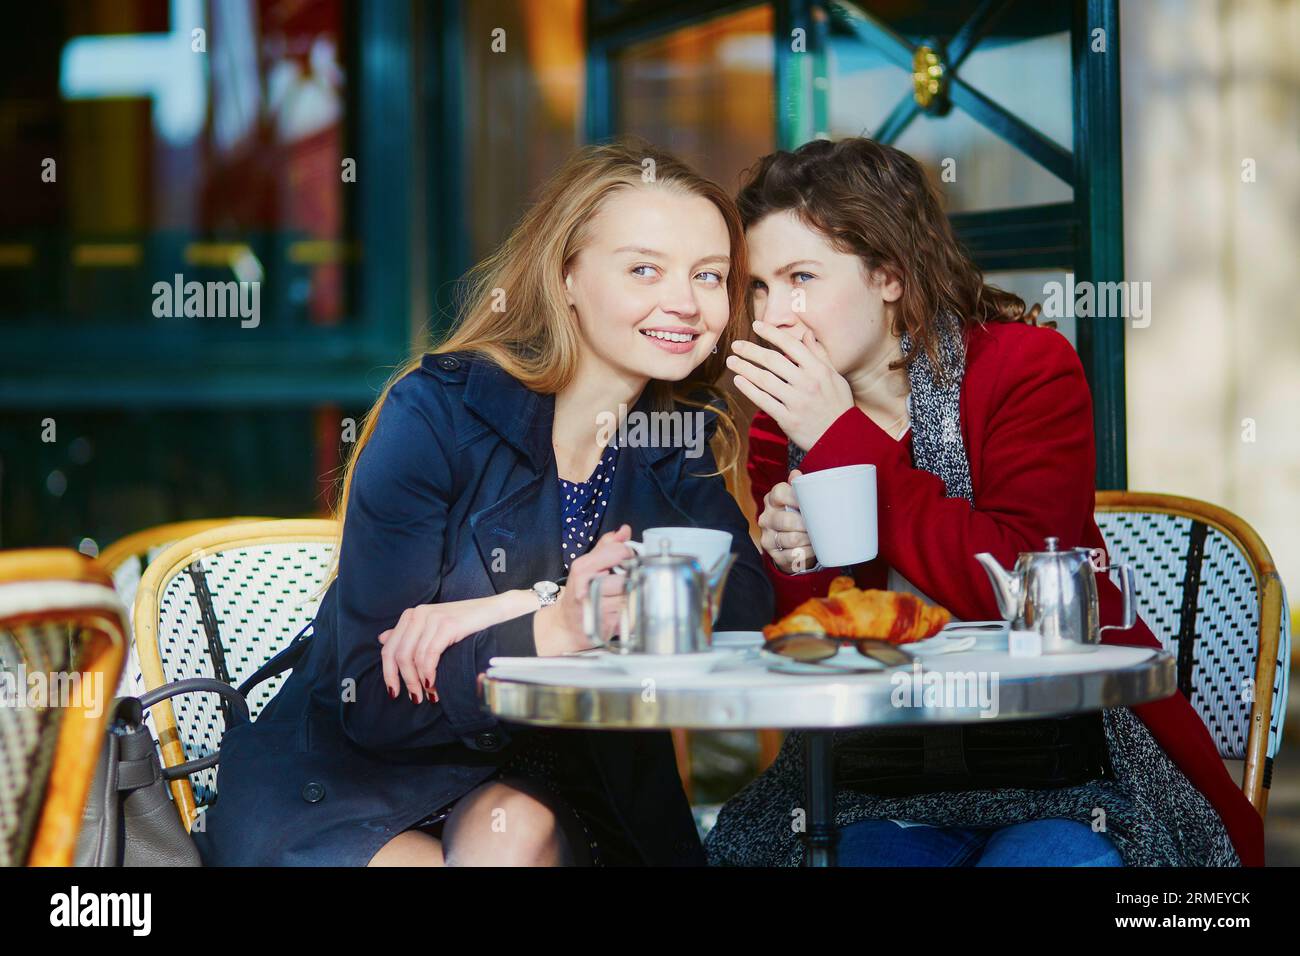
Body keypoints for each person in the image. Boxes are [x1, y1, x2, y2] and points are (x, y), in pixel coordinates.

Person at [193, 139, 774, 866]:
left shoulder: (673, 436)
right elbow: (370, 698)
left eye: (709, 276)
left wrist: (519, 610)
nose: (685, 303)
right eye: (644, 270)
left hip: (553, 784)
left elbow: (745, 605)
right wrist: (554, 623)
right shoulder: (437, 414)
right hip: (356, 784)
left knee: (515, 832)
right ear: (566, 277)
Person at [704, 137, 1262, 867]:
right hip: (878, 781)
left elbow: (1021, 581)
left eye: (801, 277)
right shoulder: (783, 420)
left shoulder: (1027, 369)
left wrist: (840, 436)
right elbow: (814, 641)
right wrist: (793, 555)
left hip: (1060, 768)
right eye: (759, 288)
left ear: (889, 275)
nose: (775, 316)